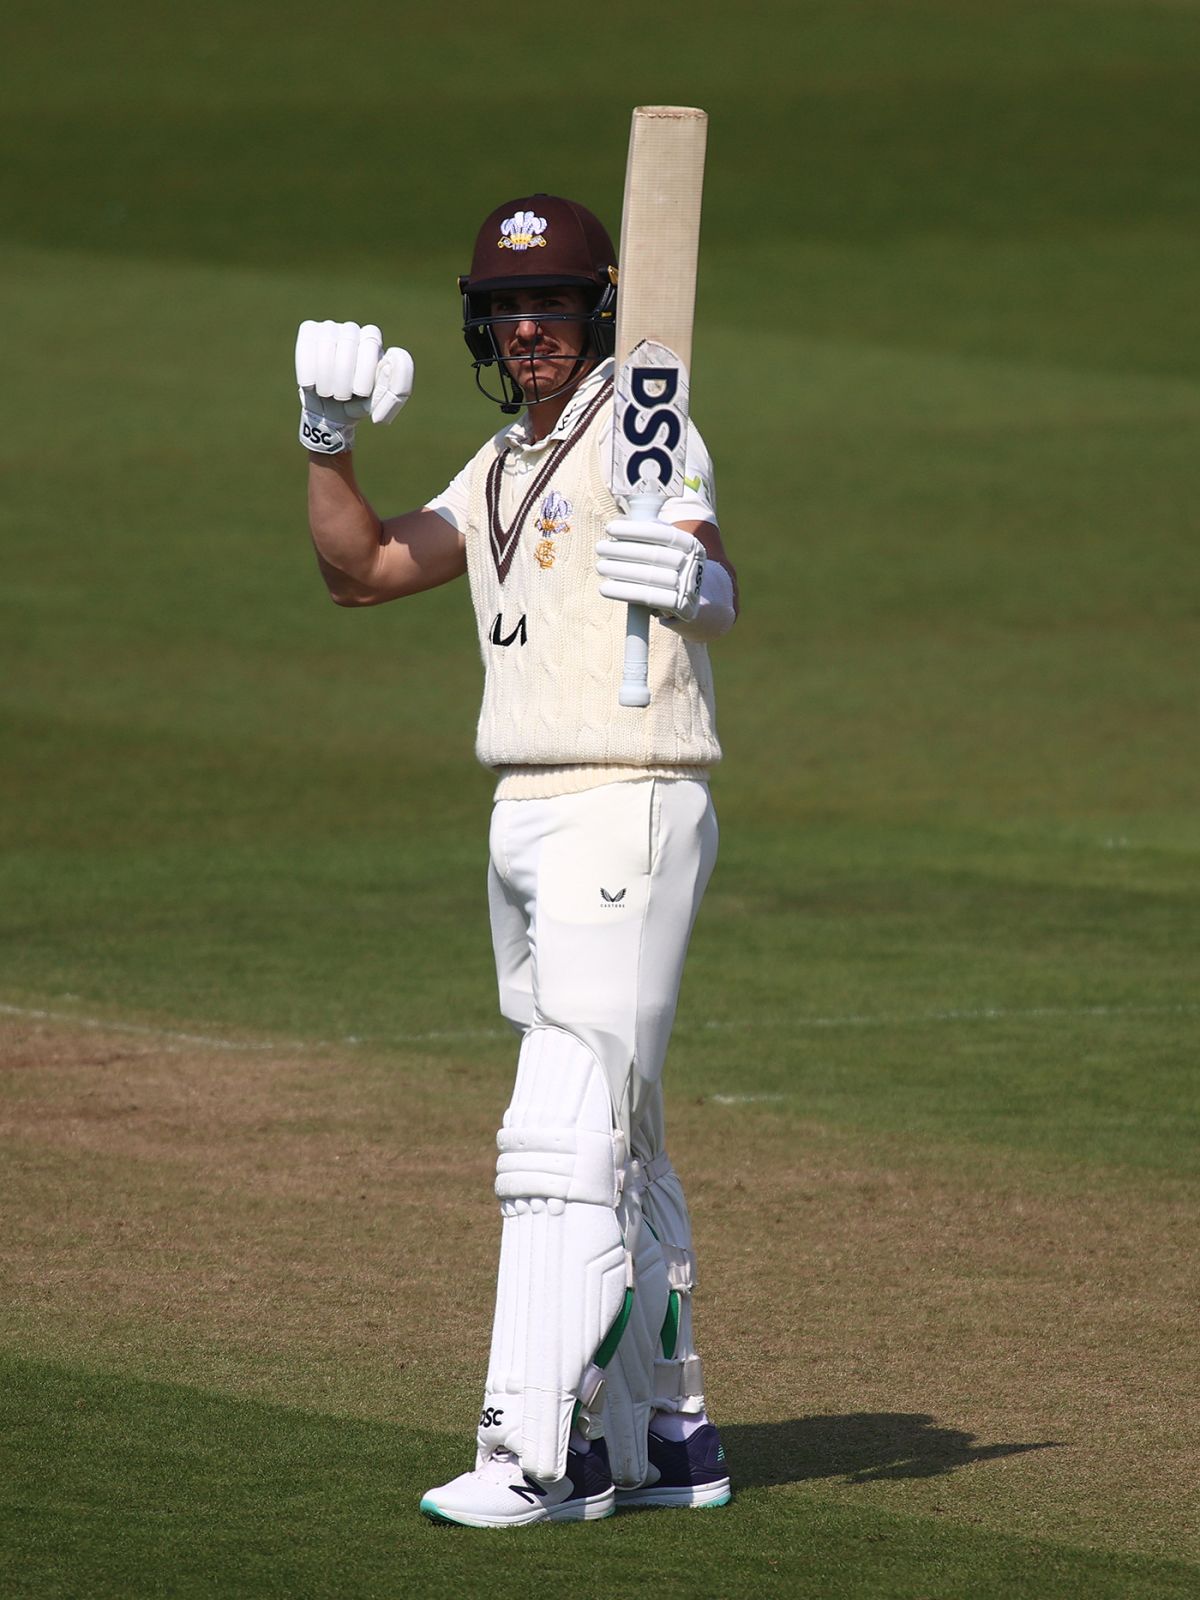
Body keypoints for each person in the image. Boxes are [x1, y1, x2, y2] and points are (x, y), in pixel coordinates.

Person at [295, 194, 739, 1527]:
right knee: (622, 1137)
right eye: (505, 310)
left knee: (559, 1134)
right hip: (531, 808)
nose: (527, 329)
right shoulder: (499, 465)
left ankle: (543, 1457)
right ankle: (668, 1440)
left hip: (627, 793)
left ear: (597, 311)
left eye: (549, 305)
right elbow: (365, 570)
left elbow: (714, 580)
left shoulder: (645, 428)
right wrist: (325, 444)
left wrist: (691, 584)